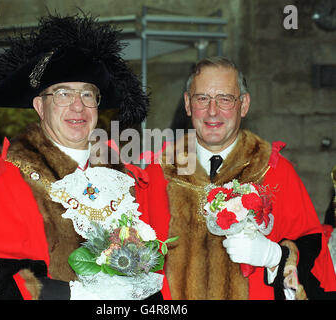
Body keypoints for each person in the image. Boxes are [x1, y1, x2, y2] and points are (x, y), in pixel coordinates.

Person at [0, 13, 170, 300]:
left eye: (87, 95)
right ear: (40, 107)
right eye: (63, 94)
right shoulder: (6, 179)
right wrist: (77, 295)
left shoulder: (127, 180)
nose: (78, 107)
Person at [143, 56, 336, 299]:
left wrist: (275, 257)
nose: (213, 111)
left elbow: (314, 258)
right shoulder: (158, 174)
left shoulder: (275, 171)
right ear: (188, 104)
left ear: (244, 105)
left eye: (225, 99)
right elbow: (137, 270)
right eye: (202, 98)